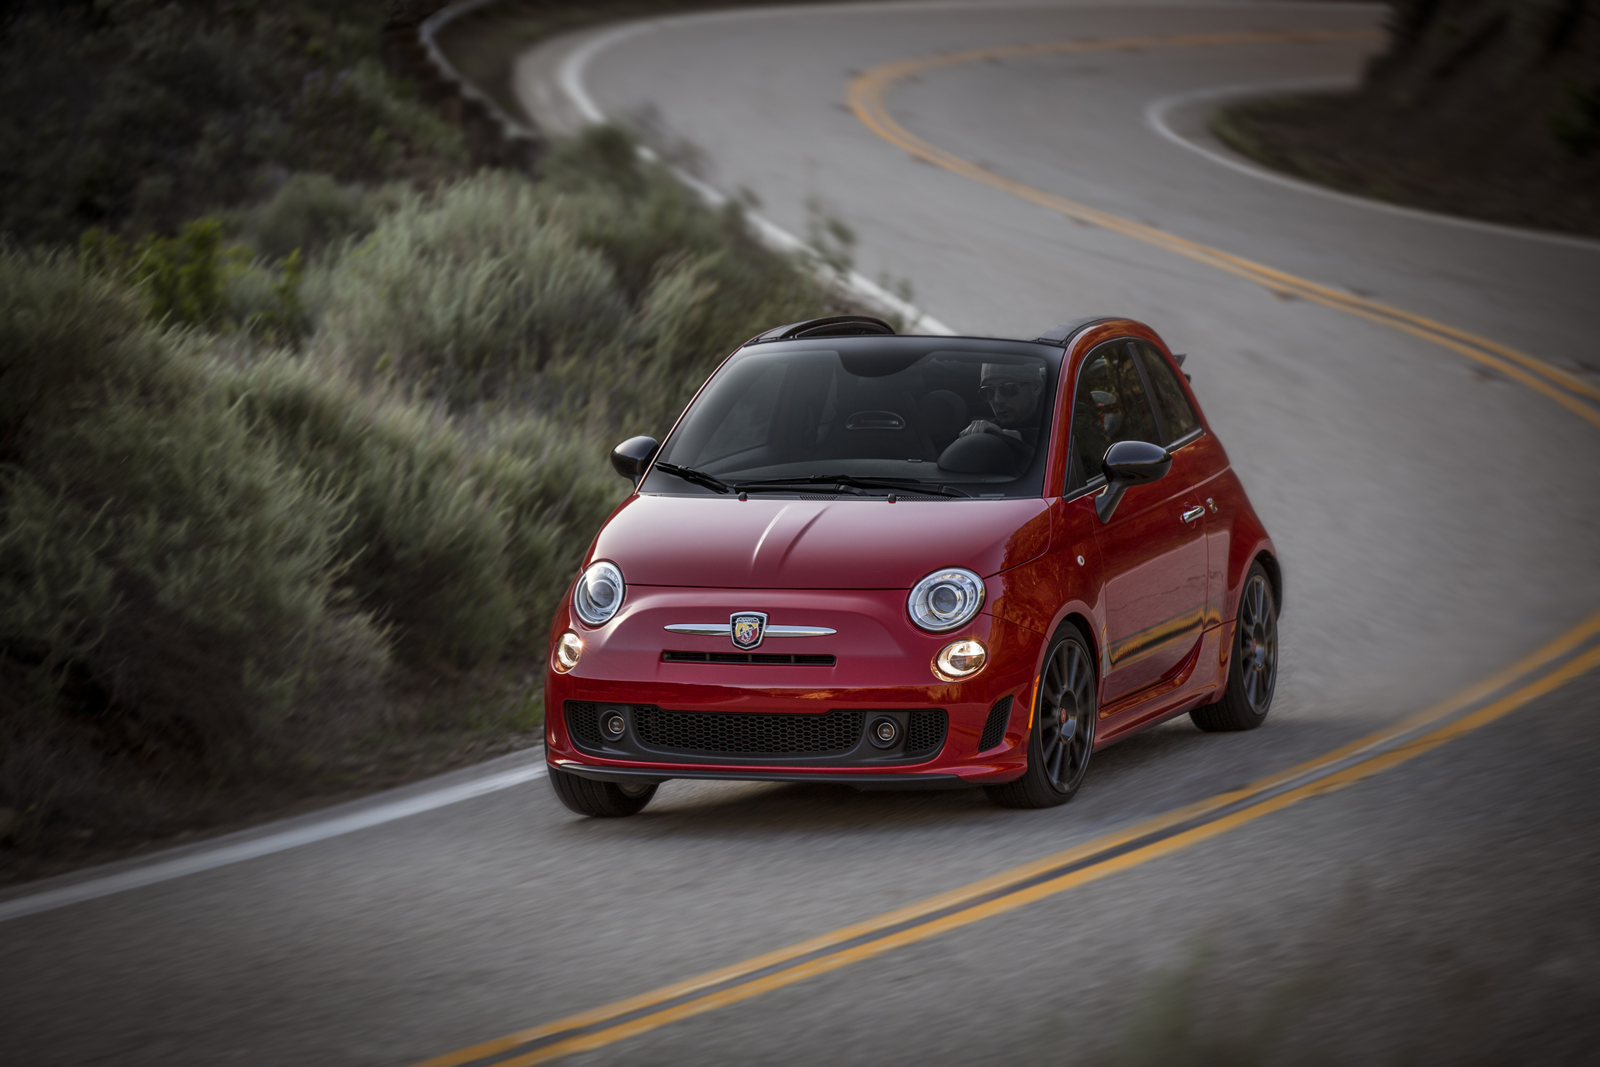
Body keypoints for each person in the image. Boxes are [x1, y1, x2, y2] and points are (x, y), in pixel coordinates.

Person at [958, 363, 1045, 445]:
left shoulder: (1056, 420)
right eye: (989, 391)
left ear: (1036, 388)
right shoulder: (986, 426)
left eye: (1008, 388)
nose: (997, 400)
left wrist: (1017, 437)